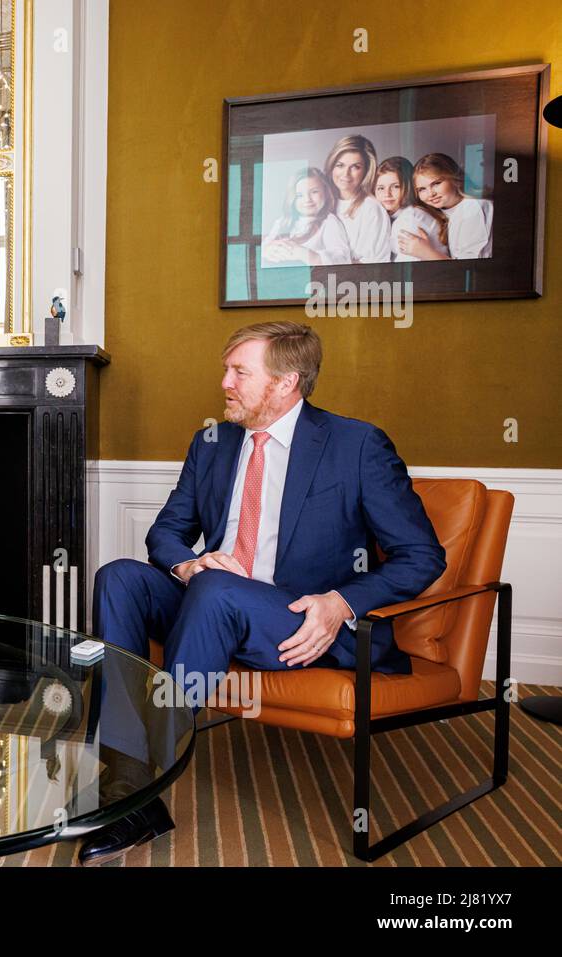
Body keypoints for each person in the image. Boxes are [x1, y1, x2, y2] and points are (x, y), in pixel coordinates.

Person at [80, 321, 445, 864]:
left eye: (239, 372)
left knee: (218, 592)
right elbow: (166, 533)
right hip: (211, 601)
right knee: (119, 577)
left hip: (299, 618)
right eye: (226, 369)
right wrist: (186, 564)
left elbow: (423, 557)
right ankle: (132, 792)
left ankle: (129, 788)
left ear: (285, 382)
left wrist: (341, 602)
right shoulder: (212, 443)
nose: (224, 382)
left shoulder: (355, 444)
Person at [260, 167, 351, 267]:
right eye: (299, 195)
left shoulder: (329, 222)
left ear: (326, 193)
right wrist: (268, 250)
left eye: (314, 192)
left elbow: (341, 258)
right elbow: (264, 248)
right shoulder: (283, 221)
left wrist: (302, 253)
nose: (307, 199)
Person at [410, 152, 494, 259]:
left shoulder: (473, 208)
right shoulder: (447, 213)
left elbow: (469, 268)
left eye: (436, 183)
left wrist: (427, 253)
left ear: (455, 179)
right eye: (422, 189)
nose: (430, 194)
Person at [324, 134, 391, 263]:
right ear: (331, 166)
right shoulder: (322, 202)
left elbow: (376, 262)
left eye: (355, 167)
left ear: (366, 171)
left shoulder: (371, 208)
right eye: (340, 165)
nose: (346, 174)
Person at [373, 155, 449, 262]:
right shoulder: (397, 216)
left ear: (408, 187)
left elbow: (407, 271)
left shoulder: (409, 219)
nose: (387, 194)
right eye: (381, 188)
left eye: (396, 186)